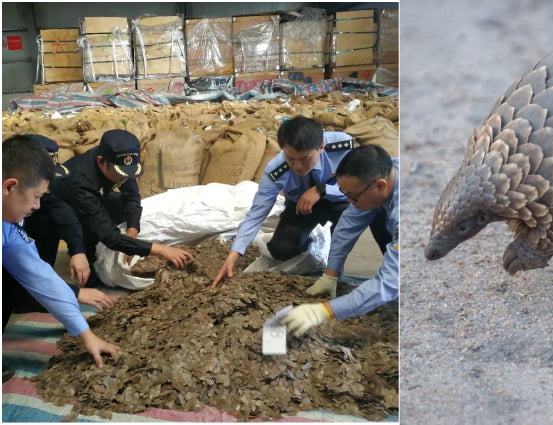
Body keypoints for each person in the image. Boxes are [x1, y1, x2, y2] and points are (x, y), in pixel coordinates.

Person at [212, 115, 389, 287]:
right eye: (290, 159)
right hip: (302, 208)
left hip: (341, 200)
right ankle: (311, 242)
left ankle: (358, 268)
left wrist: (322, 190)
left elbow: (362, 186)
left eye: (305, 159)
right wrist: (234, 255)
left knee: (375, 209)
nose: (297, 166)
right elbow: (256, 215)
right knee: (281, 249)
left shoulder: (342, 147)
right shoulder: (275, 171)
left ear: (321, 147)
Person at [2, 135, 121, 380]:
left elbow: (40, 276)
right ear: (9, 187)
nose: (37, 206)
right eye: (35, 196)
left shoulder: (9, 227)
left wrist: (86, 335)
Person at [281, 145, 398, 336]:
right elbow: (348, 225)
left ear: (380, 185)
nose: (349, 202)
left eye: (352, 196)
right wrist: (331, 273)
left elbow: (389, 283)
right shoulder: (387, 173)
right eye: (345, 194)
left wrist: (324, 311)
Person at [50, 129, 193, 284]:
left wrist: (132, 231)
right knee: (89, 232)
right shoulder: (80, 182)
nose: (124, 178)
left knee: (120, 204)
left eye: (128, 173)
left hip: (93, 199)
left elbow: (131, 196)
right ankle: (86, 260)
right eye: (120, 174)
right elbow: (110, 236)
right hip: (60, 212)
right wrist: (162, 250)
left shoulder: (118, 161)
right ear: (100, 161)